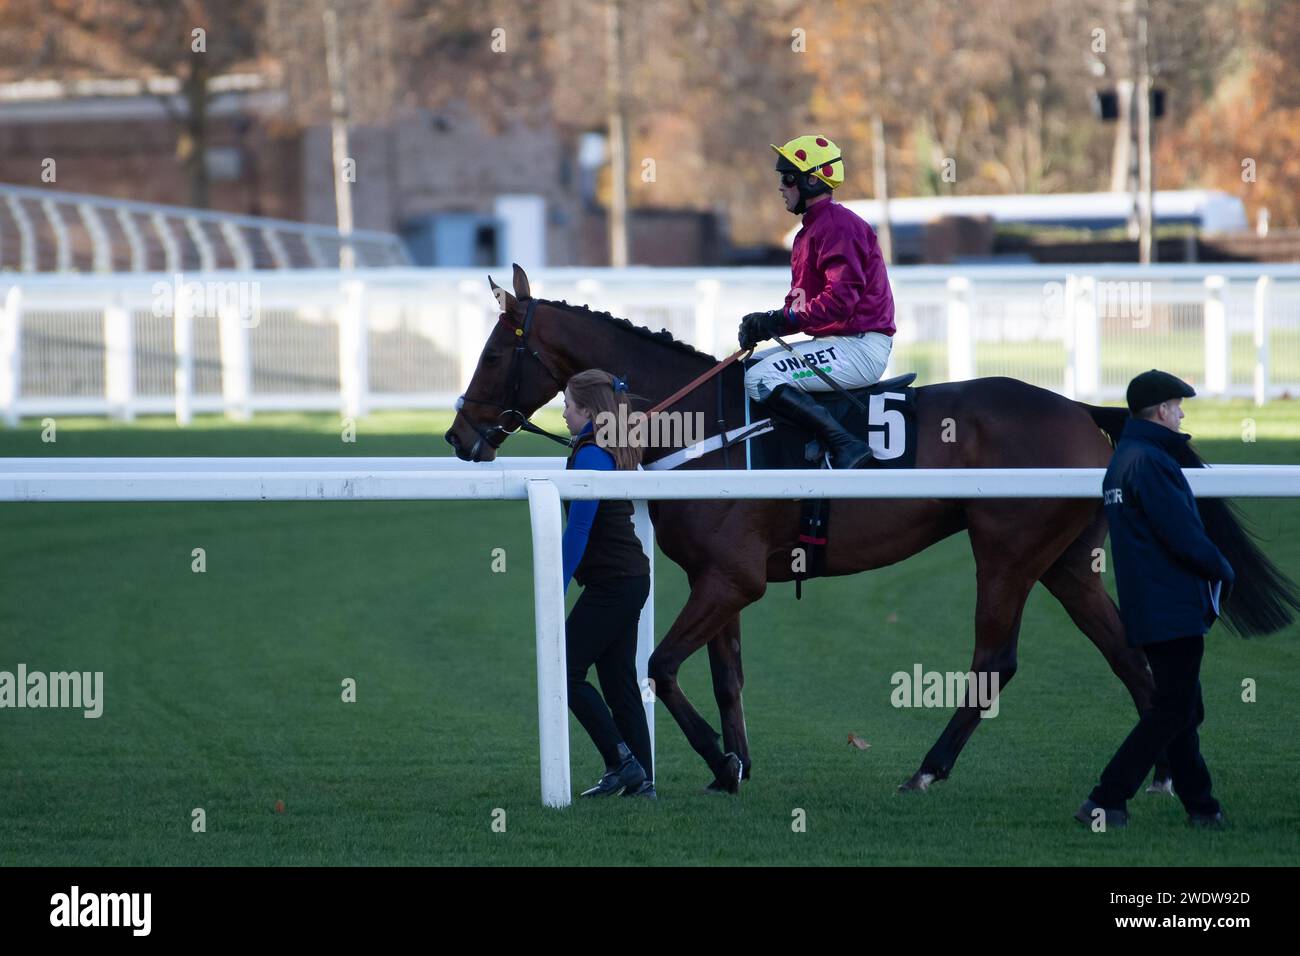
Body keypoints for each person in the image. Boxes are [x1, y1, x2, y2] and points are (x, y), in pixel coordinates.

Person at [1075, 370, 1235, 829]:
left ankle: (1201, 807)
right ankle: (1106, 799)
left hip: (1149, 605)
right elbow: (1183, 535)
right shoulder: (1150, 460)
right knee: (1173, 709)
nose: (1182, 413)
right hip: (1173, 606)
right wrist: (1224, 569)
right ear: (1162, 410)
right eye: (1178, 405)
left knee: (1181, 708)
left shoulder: (1126, 458)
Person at [738, 134, 897, 469]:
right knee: (747, 369)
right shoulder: (809, 232)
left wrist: (777, 322)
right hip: (838, 343)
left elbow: (839, 302)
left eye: (786, 178)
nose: (781, 187)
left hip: (859, 349)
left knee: (760, 379)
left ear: (810, 180)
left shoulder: (839, 226)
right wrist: (767, 321)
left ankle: (845, 445)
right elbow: (802, 309)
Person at [560, 369, 655, 798]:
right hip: (627, 578)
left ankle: (622, 762)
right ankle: (642, 782)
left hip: (614, 584)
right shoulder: (603, 445)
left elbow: (579, 530)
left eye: (567, 405)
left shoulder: (591, 454)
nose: (562, 413)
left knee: (564, 671)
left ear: (586, 411)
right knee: (618, 683)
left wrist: (552, 588)